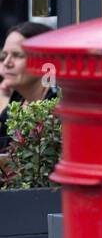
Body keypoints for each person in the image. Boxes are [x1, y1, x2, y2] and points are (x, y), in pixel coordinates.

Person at [1, 22, 56, 153]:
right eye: (4, 55)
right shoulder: (16, 101)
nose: (7, 63)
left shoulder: (57, 104)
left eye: (17, 55)